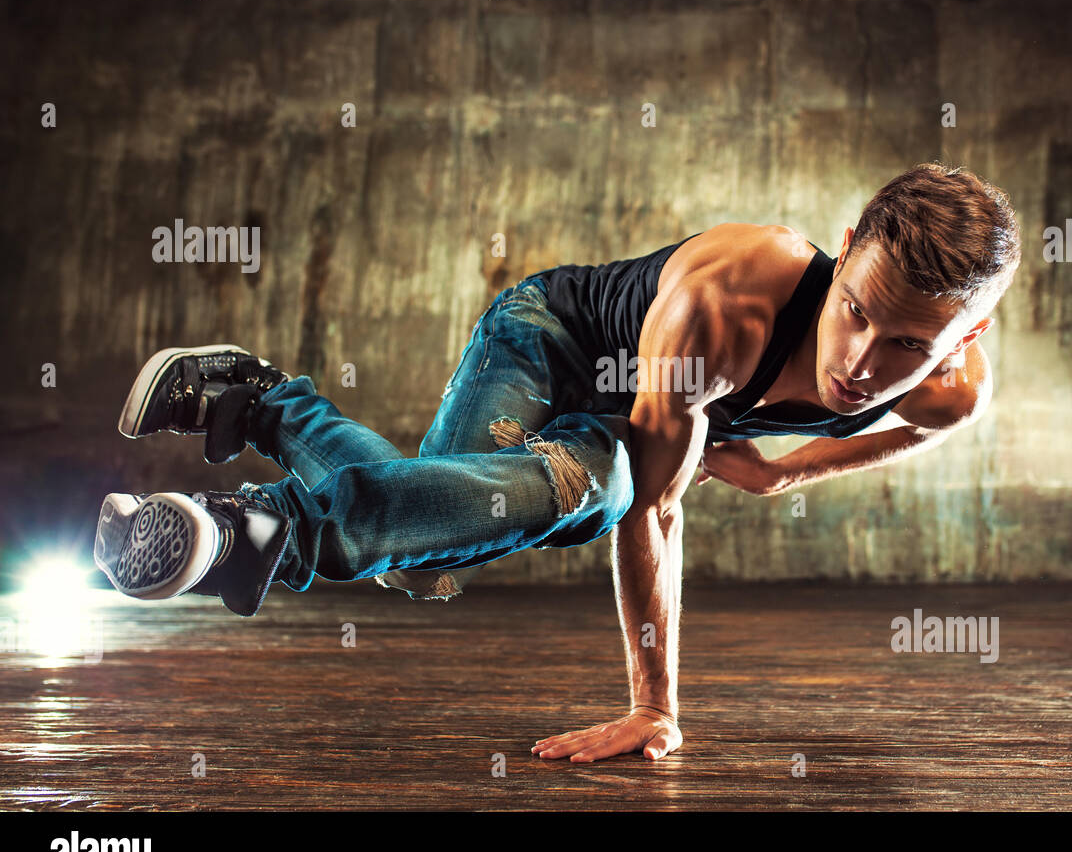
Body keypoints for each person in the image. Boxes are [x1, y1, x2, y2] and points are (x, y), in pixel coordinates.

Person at [93, 162, 1021, 762]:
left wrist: (785, 474)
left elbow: (910, 426)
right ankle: (242, 529)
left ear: (967, 334)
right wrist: (654, 706)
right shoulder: (733, 305)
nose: (861, 365)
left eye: (907, 344)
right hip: (547, 341)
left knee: (421, 561)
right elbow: (654, 509)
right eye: (855, 312)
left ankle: (258, 399)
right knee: (609, 482)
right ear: (848, 249)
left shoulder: (951, 394)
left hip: (640, 415)